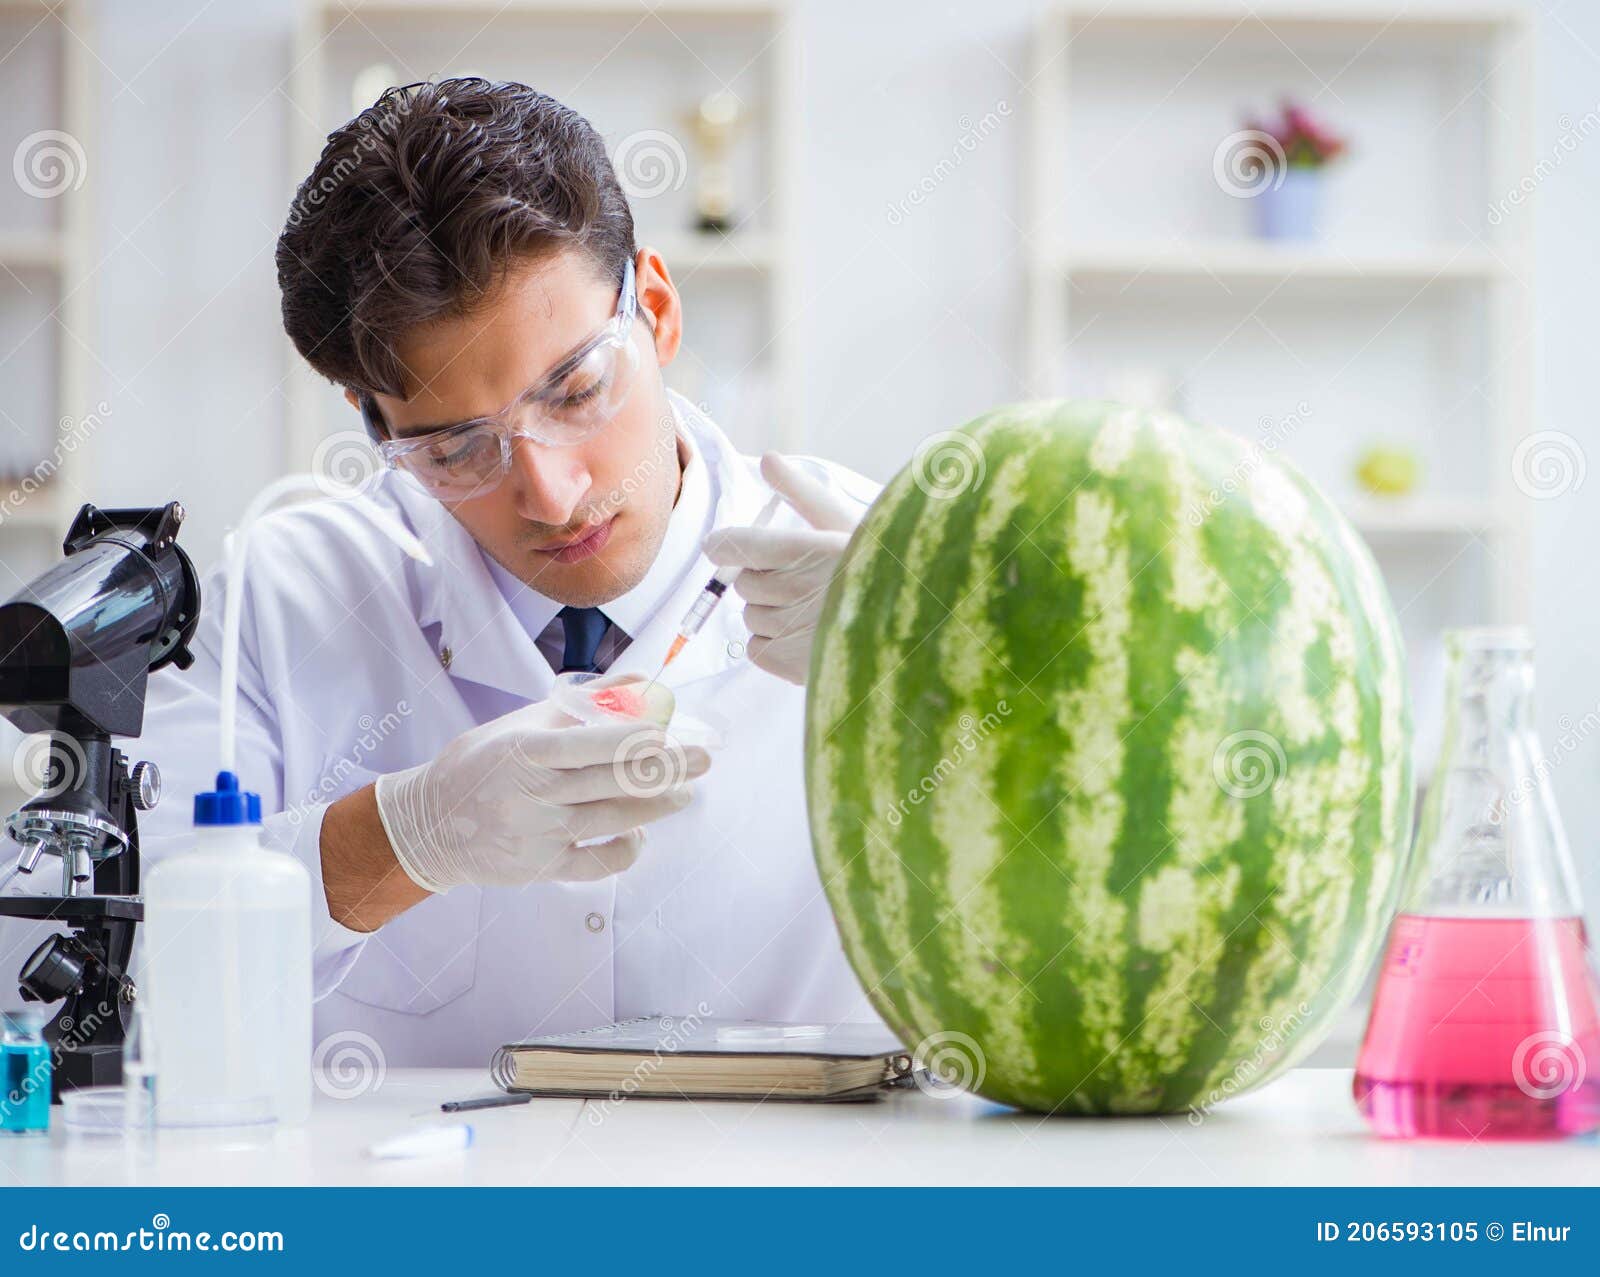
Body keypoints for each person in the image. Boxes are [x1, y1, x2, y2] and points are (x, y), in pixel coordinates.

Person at [135, 79, 885, 1066]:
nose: (550, 493)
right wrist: (403, 837)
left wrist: (951, 666)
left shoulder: (874, 560)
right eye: (454, 448)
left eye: (576, 390)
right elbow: (118, 966)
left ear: (654, 310)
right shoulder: (285, 595)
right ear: (374, 424)